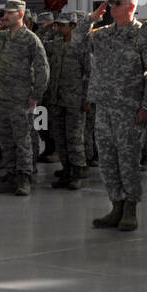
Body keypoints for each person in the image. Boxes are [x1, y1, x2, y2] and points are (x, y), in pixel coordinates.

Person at [84, 0, 147, 231]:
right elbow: (77, 42)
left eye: (116, 3)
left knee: (128, 161)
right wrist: (91, 19)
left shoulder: (142, 35)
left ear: (130, 6)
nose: (110, 8)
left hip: (128, 109)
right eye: (110, 4)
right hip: (104, 108)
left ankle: (130, 209)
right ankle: (116, 205)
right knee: (107, 161)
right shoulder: (103, 34)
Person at [0, 0, 49, 196]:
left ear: (21, 14)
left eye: (10, 13)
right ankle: (10, 174)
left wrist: (36, 95)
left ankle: (24, 177)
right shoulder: (2, 37)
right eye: (5, 13)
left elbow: (43, 69)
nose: (6, 16)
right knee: (6, 139)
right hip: (2, 97)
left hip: (21, 98)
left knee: (22, 138)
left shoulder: (30, 39)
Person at [47, 11, 90, 190]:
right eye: (58, 25)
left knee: (74, 137)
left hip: (75, 99)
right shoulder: (56, 45)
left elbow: (90, 73)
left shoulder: (81, 46)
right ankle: (66, 169)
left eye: (63, 25)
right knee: (60, 136)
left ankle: (77, 171)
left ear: (73, 26)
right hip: (57, 99)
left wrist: (87, 98)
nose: (59, 28)